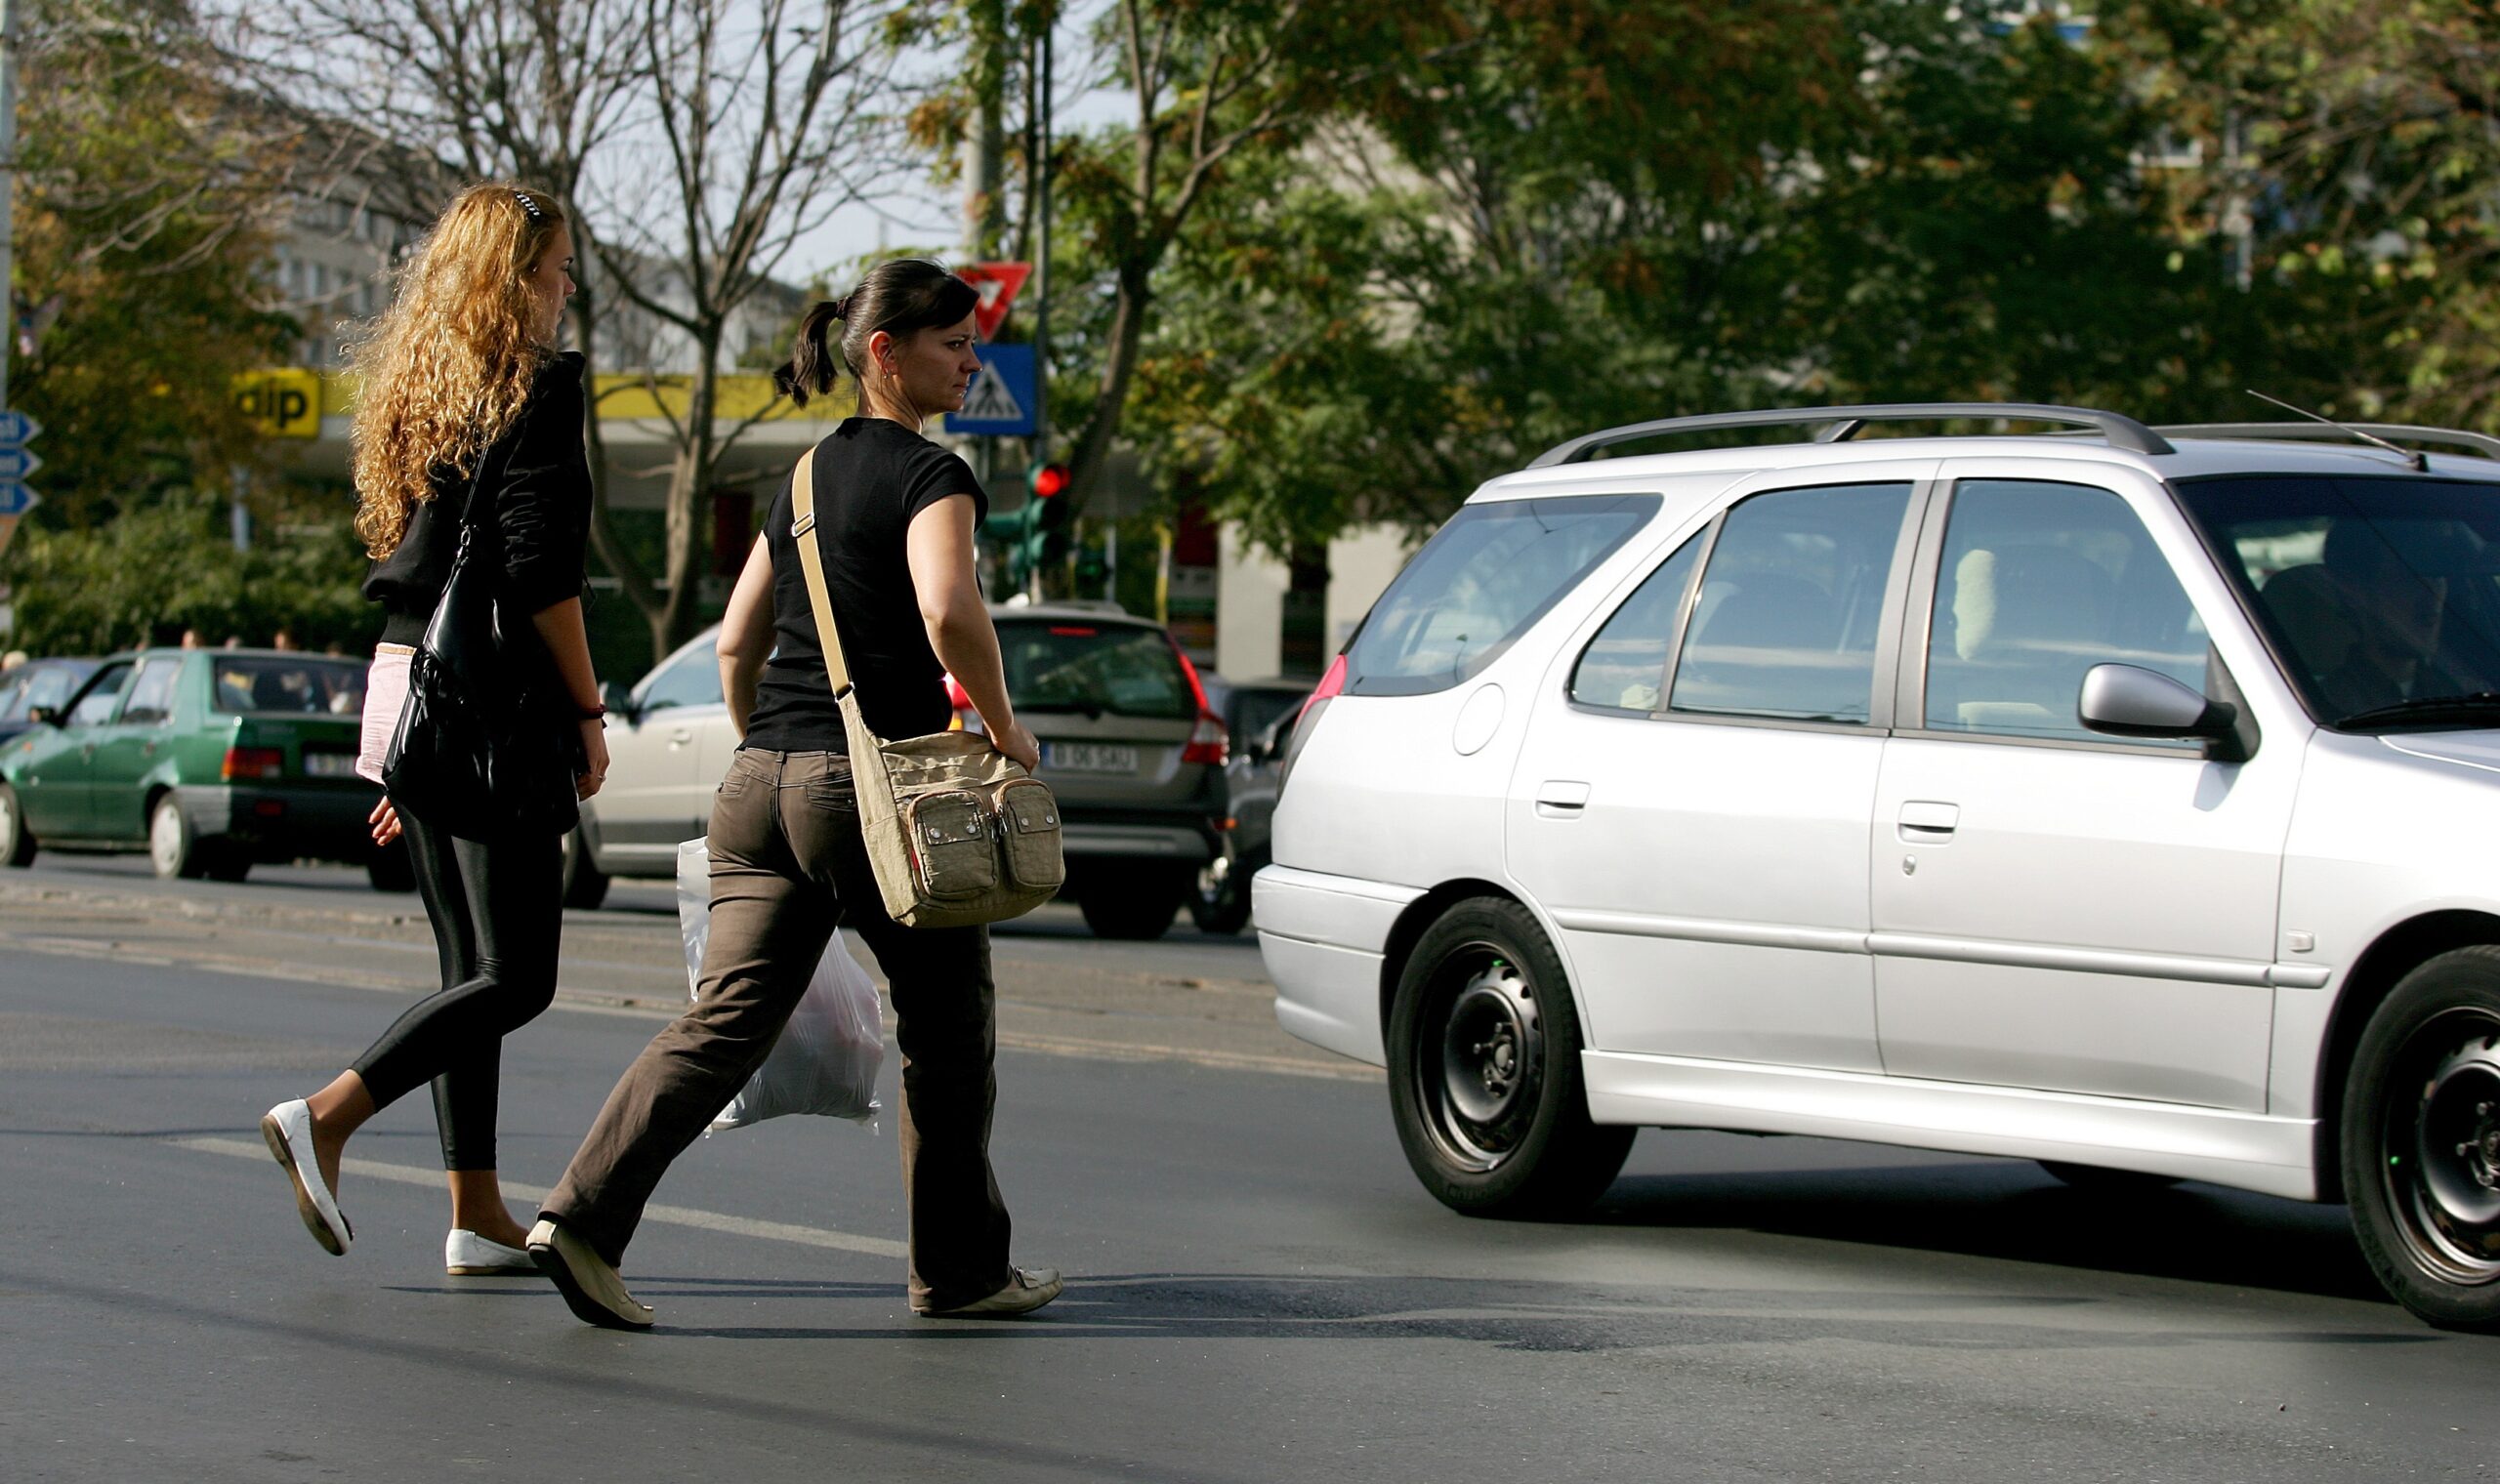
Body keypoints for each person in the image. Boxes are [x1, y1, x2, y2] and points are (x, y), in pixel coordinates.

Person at [527, 259, 1060, 1330]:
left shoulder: (803, 479)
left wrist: (772, 754)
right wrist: (1004, 727)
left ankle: (579, 1216)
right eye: (952, 345)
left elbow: (735, 642)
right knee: (948, 1027)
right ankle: (957, 1271)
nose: (968, 361)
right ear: (884, 351)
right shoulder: (934, 475)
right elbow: (950, 610)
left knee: (723, 1021)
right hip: (874, 796)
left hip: (757, 778)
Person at [259, 182, 608, 1280]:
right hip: (490, 689)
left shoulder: (419, 387)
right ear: (512, 277)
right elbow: (542, 569)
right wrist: (591, 710)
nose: (565, 289)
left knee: (467, 960)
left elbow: (417, 561)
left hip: (407, 676)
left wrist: (401, 749)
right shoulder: (538, 389)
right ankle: (326, 1114)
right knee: (516, 975)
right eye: (555, 268)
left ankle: (473, 1209)